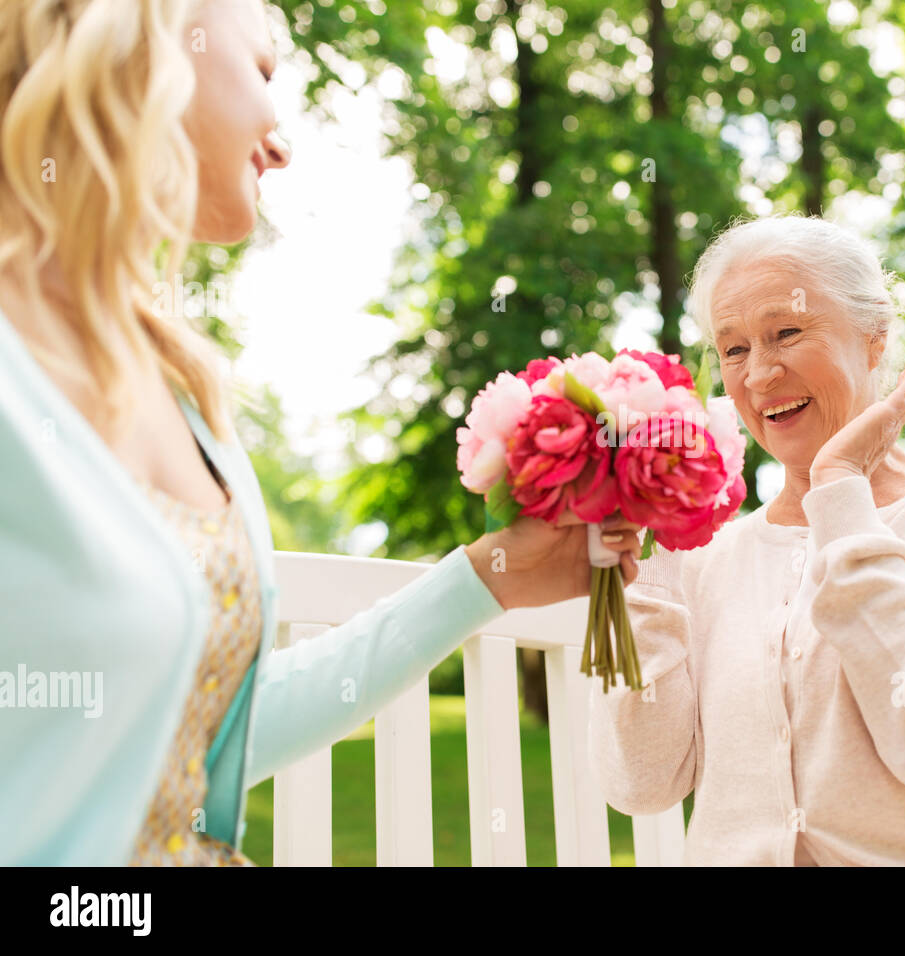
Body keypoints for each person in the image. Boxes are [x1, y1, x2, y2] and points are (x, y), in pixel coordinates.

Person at [0, 0, 641, 865]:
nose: (281, 140)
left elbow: (211, 736)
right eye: (264, 71)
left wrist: (490, 577)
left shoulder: (180, 385)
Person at [589, 214, 905, 865]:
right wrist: (657, 551)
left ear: (875, 338)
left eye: (785, 332)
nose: (758, 375)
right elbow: (641, 783)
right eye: (733, 349)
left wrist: (839, 486)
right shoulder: (705, 558)